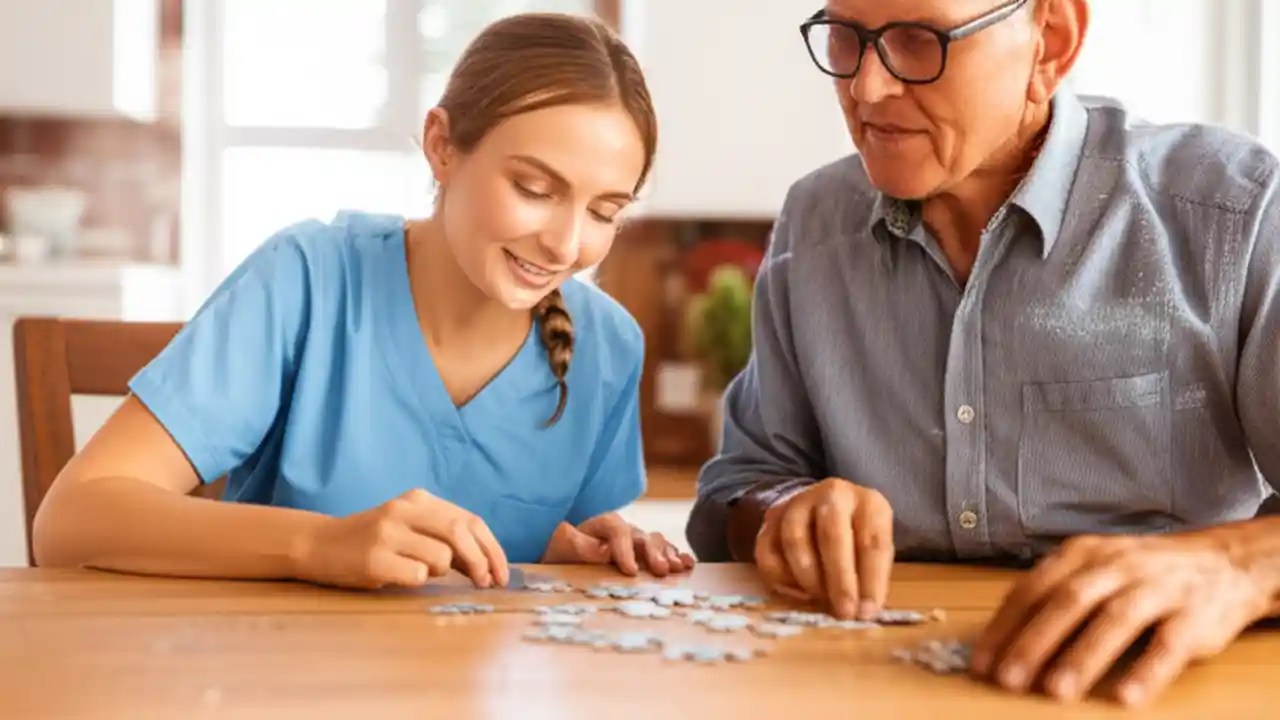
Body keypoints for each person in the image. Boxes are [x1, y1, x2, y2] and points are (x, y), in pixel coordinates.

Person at [686, 0, 1280, 707]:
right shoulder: (813, 222)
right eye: (845, 36)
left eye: (918, 41)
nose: (866, 87)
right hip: (864, 688)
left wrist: (1236, 565)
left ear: (1050, 42)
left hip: (1161, 691)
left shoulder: (1233, 210)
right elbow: (741, 484)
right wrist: (785, 508)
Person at [33, 12, 694, 591]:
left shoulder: (608, 346)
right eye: (534, 188)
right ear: (442, 145)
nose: (565, 243)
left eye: (606, 211)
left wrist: (587, 543)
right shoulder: (306, 282)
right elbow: (72, 520)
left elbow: (539, 555)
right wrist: (320, 545)